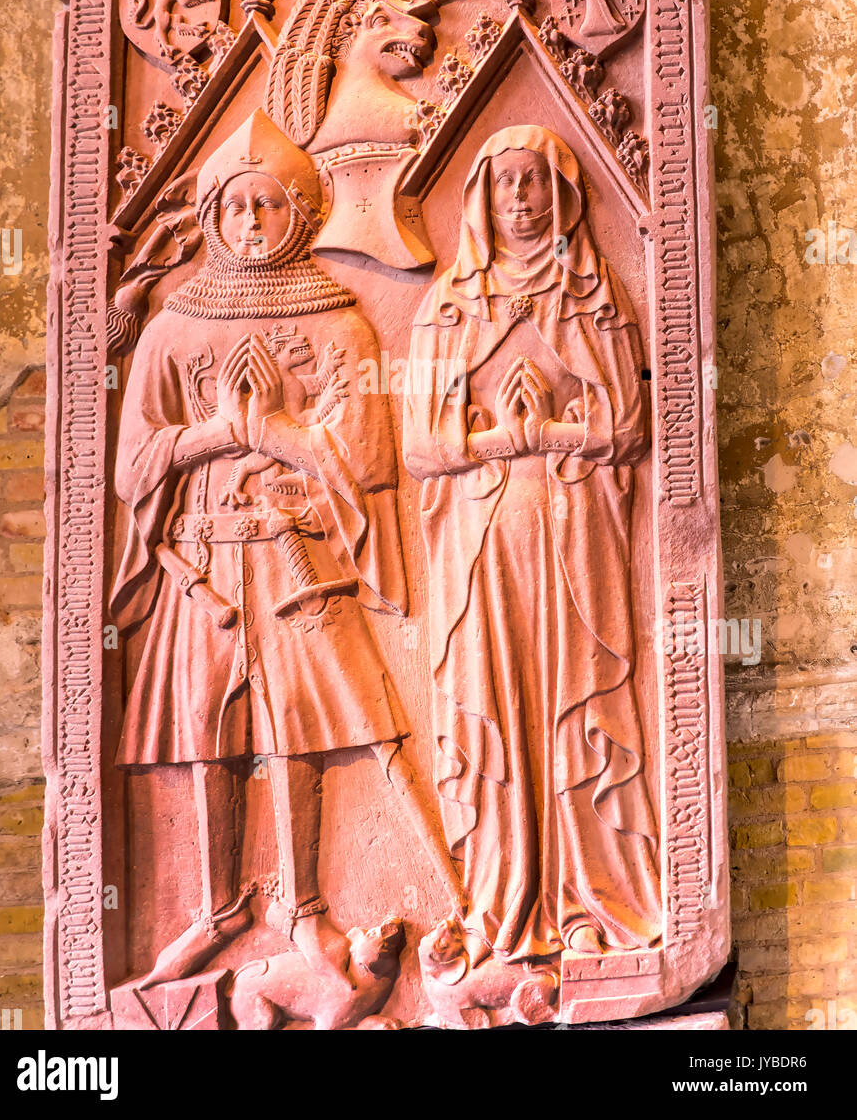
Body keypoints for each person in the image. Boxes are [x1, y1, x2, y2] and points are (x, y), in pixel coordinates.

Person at [111, 109, 460, 991]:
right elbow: (131, 467)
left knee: (297, 733)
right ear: (211, 217)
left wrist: (271, 432)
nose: (251, 224)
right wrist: (217, 432)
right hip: (201, 568)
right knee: (208, 733)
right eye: (235, 209)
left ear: (302, 214)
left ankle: (305, 908)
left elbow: (370, 457)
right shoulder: (173, 324)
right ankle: (218, 906)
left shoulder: (337, 321)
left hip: (293, 560)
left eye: (269, 207)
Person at [403, 124, 661, 965]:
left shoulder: (593, 296)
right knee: (495, 715)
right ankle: (502, 900)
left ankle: (588, 896)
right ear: (480, 196)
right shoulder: (450, 303)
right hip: (480, 549)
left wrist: (553, 426)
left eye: (534, 183)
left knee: (575, 708)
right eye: (505, 184)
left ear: (562, 194)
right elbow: (419, 449)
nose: (519, 199)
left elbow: (627, 426)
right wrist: (494, 442)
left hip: (573, 540)